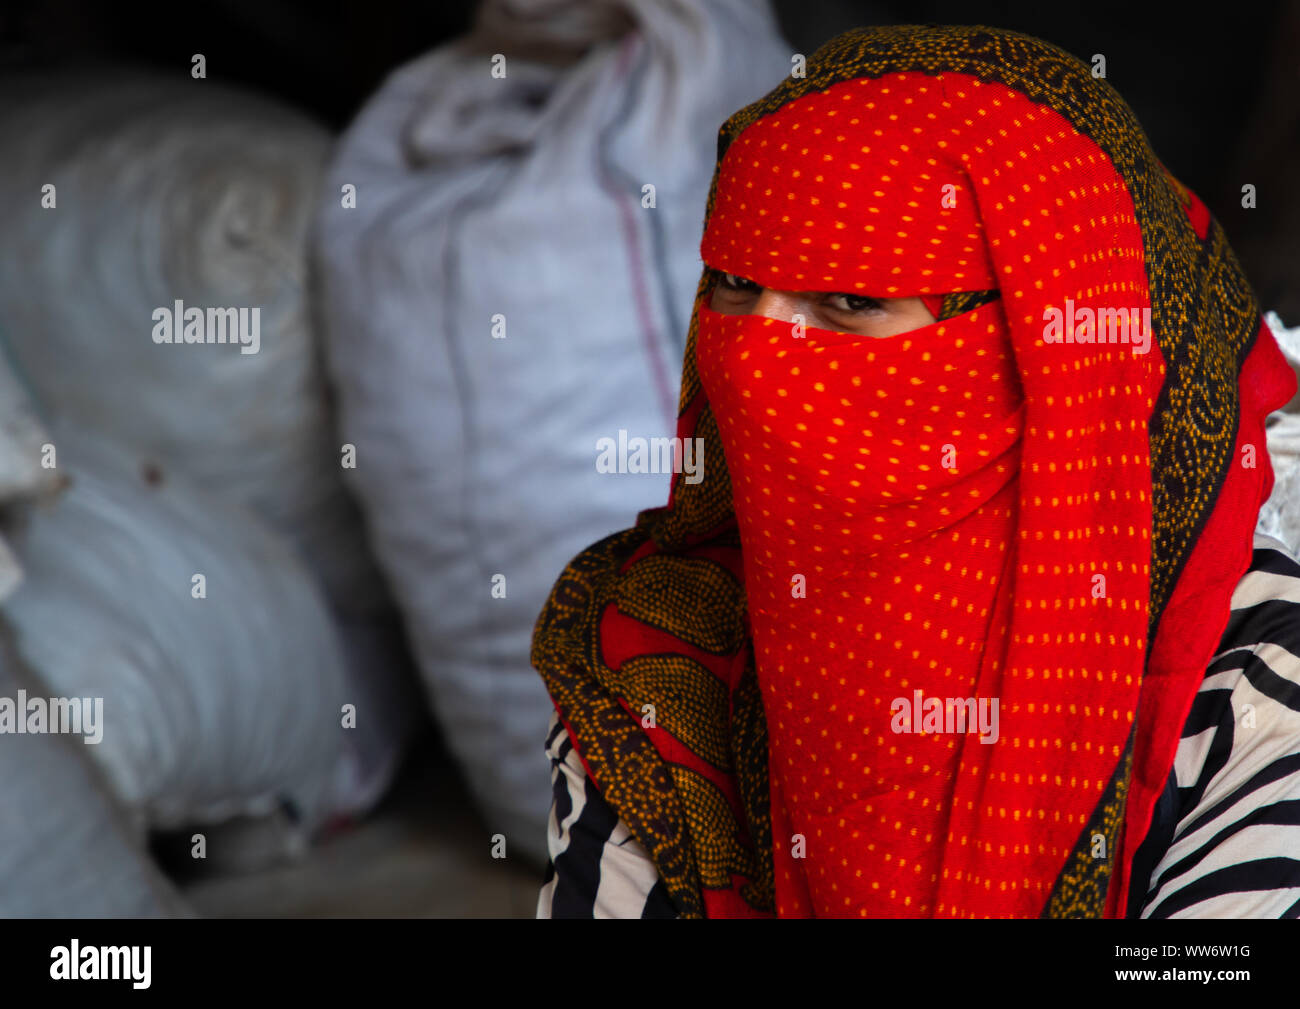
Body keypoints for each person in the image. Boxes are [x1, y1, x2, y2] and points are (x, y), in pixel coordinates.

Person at [530, 23, 1300, 918]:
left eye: (851, 301)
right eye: (735, 287)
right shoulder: (661, 645)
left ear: (1037, 348)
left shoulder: (1246, 690)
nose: (753, 360)